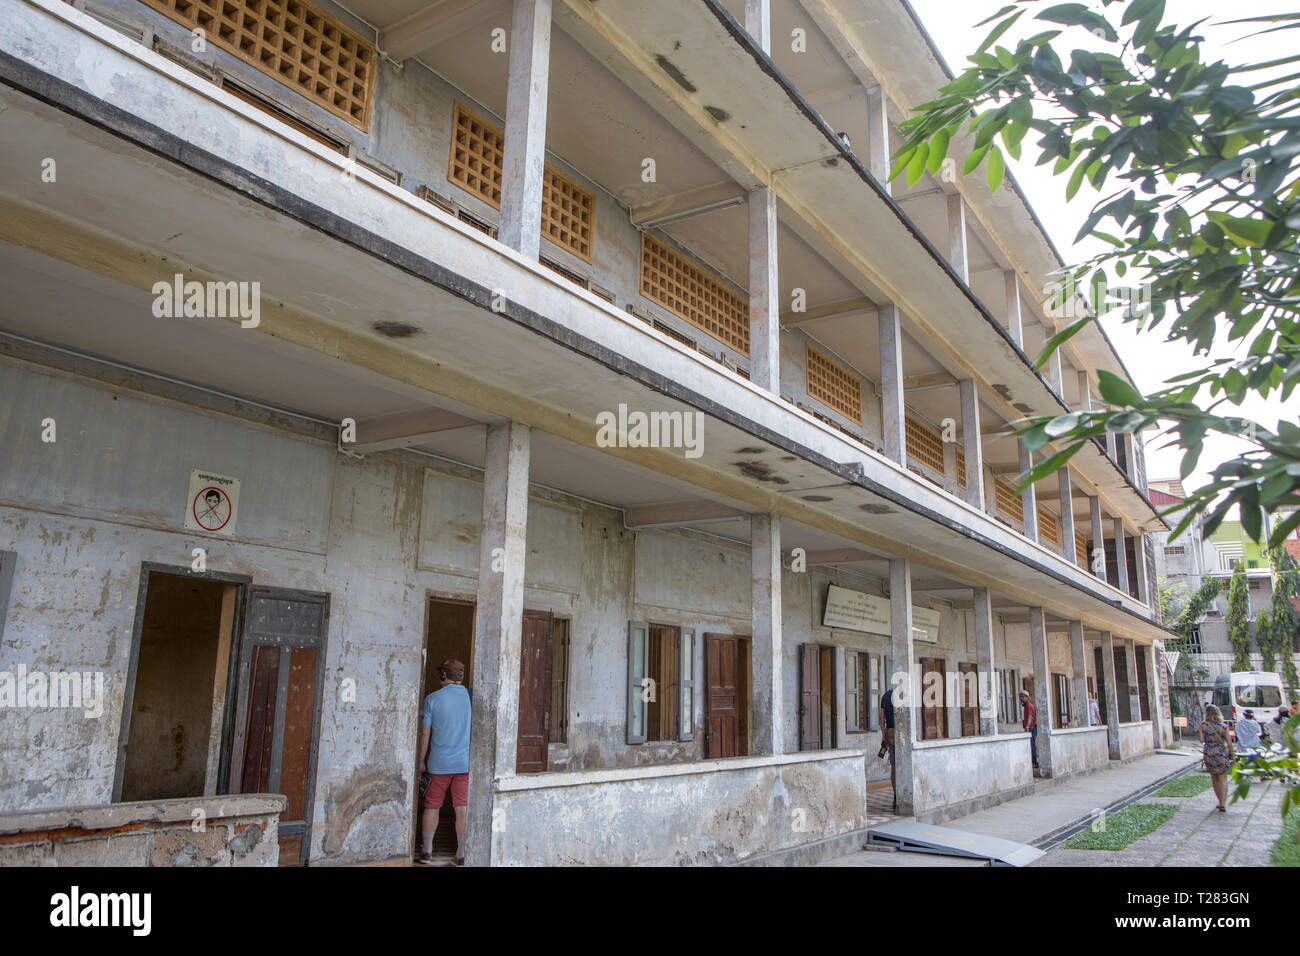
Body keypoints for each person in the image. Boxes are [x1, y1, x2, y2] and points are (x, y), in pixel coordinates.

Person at [417, 659, 471, 865]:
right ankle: (461, 853)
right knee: (461, 808)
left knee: (431, 806)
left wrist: (421, 762)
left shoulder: (432, 699)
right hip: (463, 765)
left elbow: (425, 732)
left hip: (438, 764)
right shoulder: (470, 697)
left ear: (443, 676)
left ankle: (427, 852)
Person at [1200, 704, 1235, 812]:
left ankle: (1219, 801)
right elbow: (1229, 743)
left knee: (1214, 779)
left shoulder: (1203, 725)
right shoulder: (1224, 727)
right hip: (1221, 753)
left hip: (1209, 753)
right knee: (1223, 778)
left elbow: (1201, 740)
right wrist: (1232, 755)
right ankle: (1224, 802)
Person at [878, 683, 898, 813]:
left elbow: (881, 718)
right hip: (901, 732)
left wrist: (883, 734)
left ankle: (896, 795)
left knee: (894, 764)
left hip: (889, 731)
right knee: (901, 763)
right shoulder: (904, 695)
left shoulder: (886, 696)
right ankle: (901, 795)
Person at [1020, 691, 1038, 772]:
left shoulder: (1028, 706)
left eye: (1023, 697)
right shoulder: (1026, 706)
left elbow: (1030, 716)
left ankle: (1034, 762)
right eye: (1021, 697)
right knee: (1031, 744)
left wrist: (1027, 726)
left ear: (1027, 697)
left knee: (1032, 744)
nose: (1021, 698)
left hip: (1032, 727)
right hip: (1031, 727)